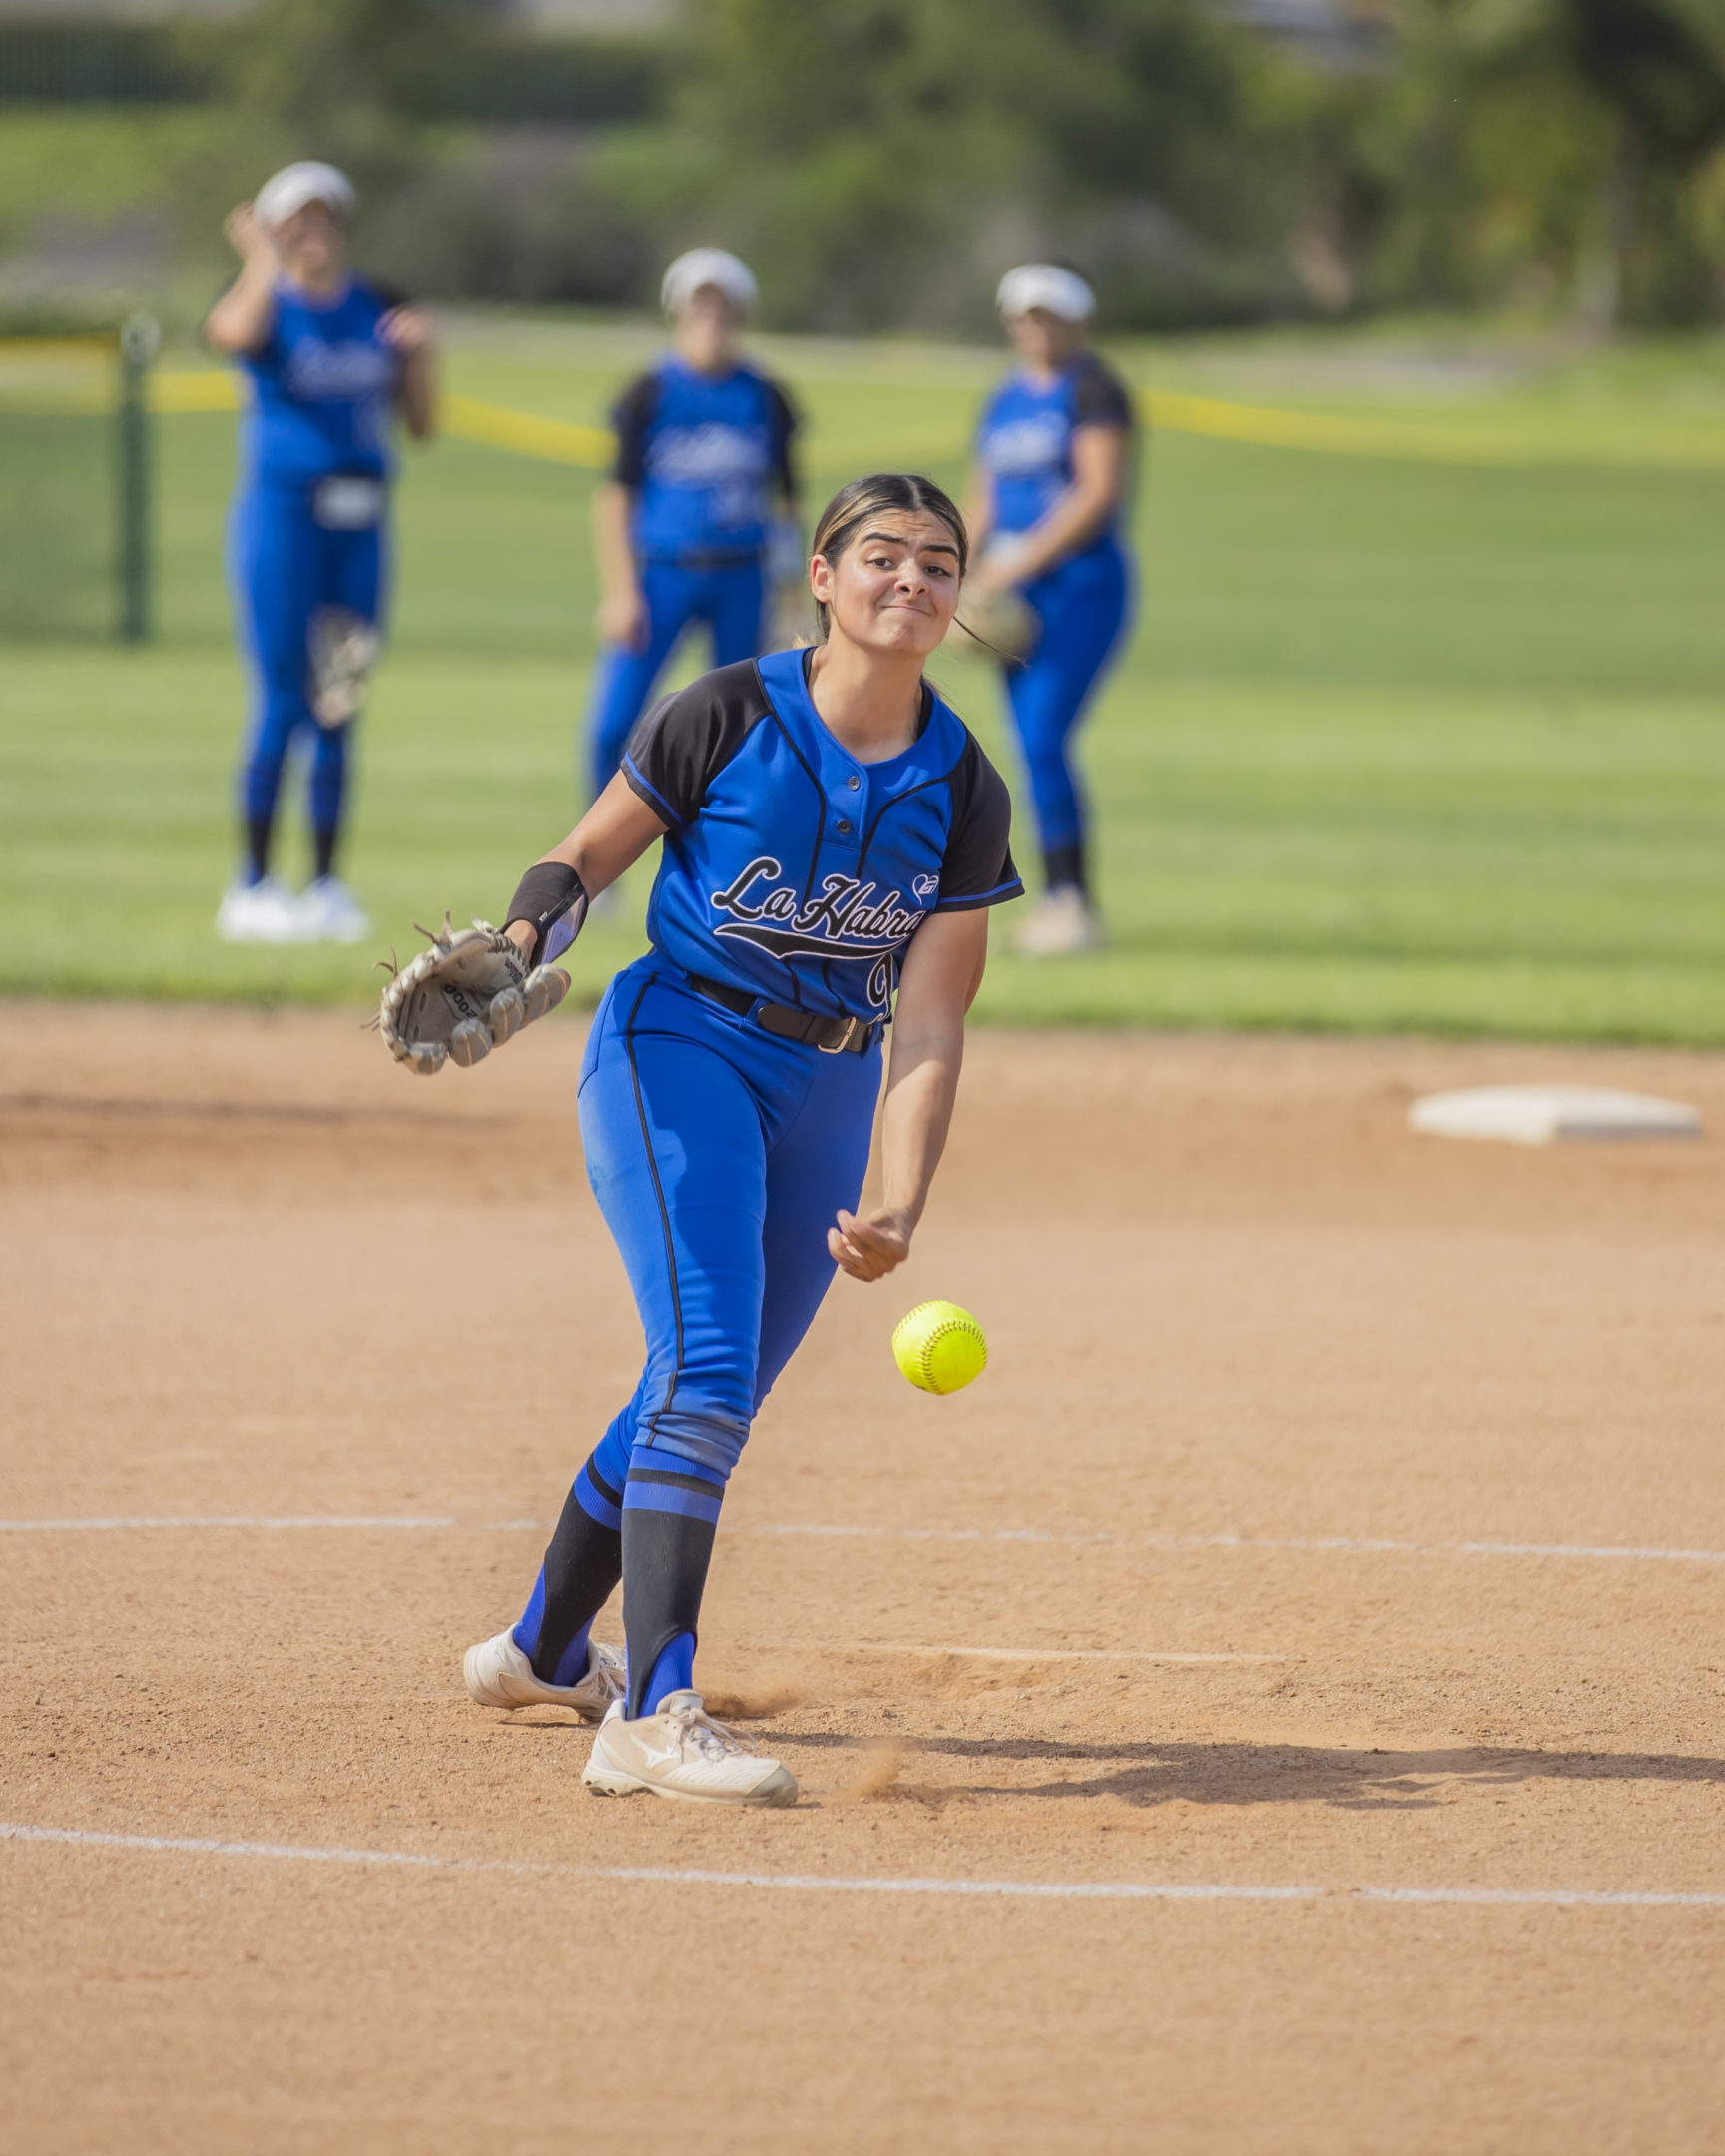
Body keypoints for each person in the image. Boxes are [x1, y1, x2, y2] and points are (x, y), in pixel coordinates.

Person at [462, 473, 1023, 1806]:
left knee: (707, 1395)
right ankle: (651, 1715)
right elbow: (585, 857)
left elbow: (931, 1027)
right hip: (681, 1048)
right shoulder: (729, 711)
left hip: (829, 1092)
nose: (912, 581)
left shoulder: (964, 783)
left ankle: (546, 1650)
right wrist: (520, 940)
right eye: (881, 556)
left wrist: (901, 1197)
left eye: (938, 564)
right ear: (821, 578)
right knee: (705, 1371)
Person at [206, 161, 436, 945]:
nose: (315, 230)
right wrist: (257, 259)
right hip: (284, 520)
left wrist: (421, 358)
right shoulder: (267, 304)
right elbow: (228, 335)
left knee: (340, 699)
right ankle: (252, 885)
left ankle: (328, 886)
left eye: (325, 215)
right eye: (297, 218)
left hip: (360, 525)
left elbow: (423, 425)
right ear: (274, 228)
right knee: (279, 697)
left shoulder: (376, 307)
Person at [584, 247, 801, 806]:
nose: (711, 319)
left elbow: (788, 505)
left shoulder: (765, 396)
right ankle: (592, 866)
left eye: (723, 308)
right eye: (700, 306)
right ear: (677, 311)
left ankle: (722, 851)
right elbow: (615, 497)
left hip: (742, 578)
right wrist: (619, 590)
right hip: (662, 574)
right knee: (612, 724)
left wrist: (792, 594)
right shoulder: (650, 391)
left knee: (743, 724)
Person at [965, 264, 1136, 957]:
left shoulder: (1093, 387)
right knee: (1028, 744)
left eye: (1049, 316)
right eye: (1025, 317)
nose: (1037, 328)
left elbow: (1098, 493)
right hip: (1015, 587)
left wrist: (1022, 559)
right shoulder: (1005, 399)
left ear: (1076, 321)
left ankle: (1074, 905)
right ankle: (1062, 903)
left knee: (1041, 736)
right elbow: (985, 500)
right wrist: (957, 568)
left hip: (1080, 584)